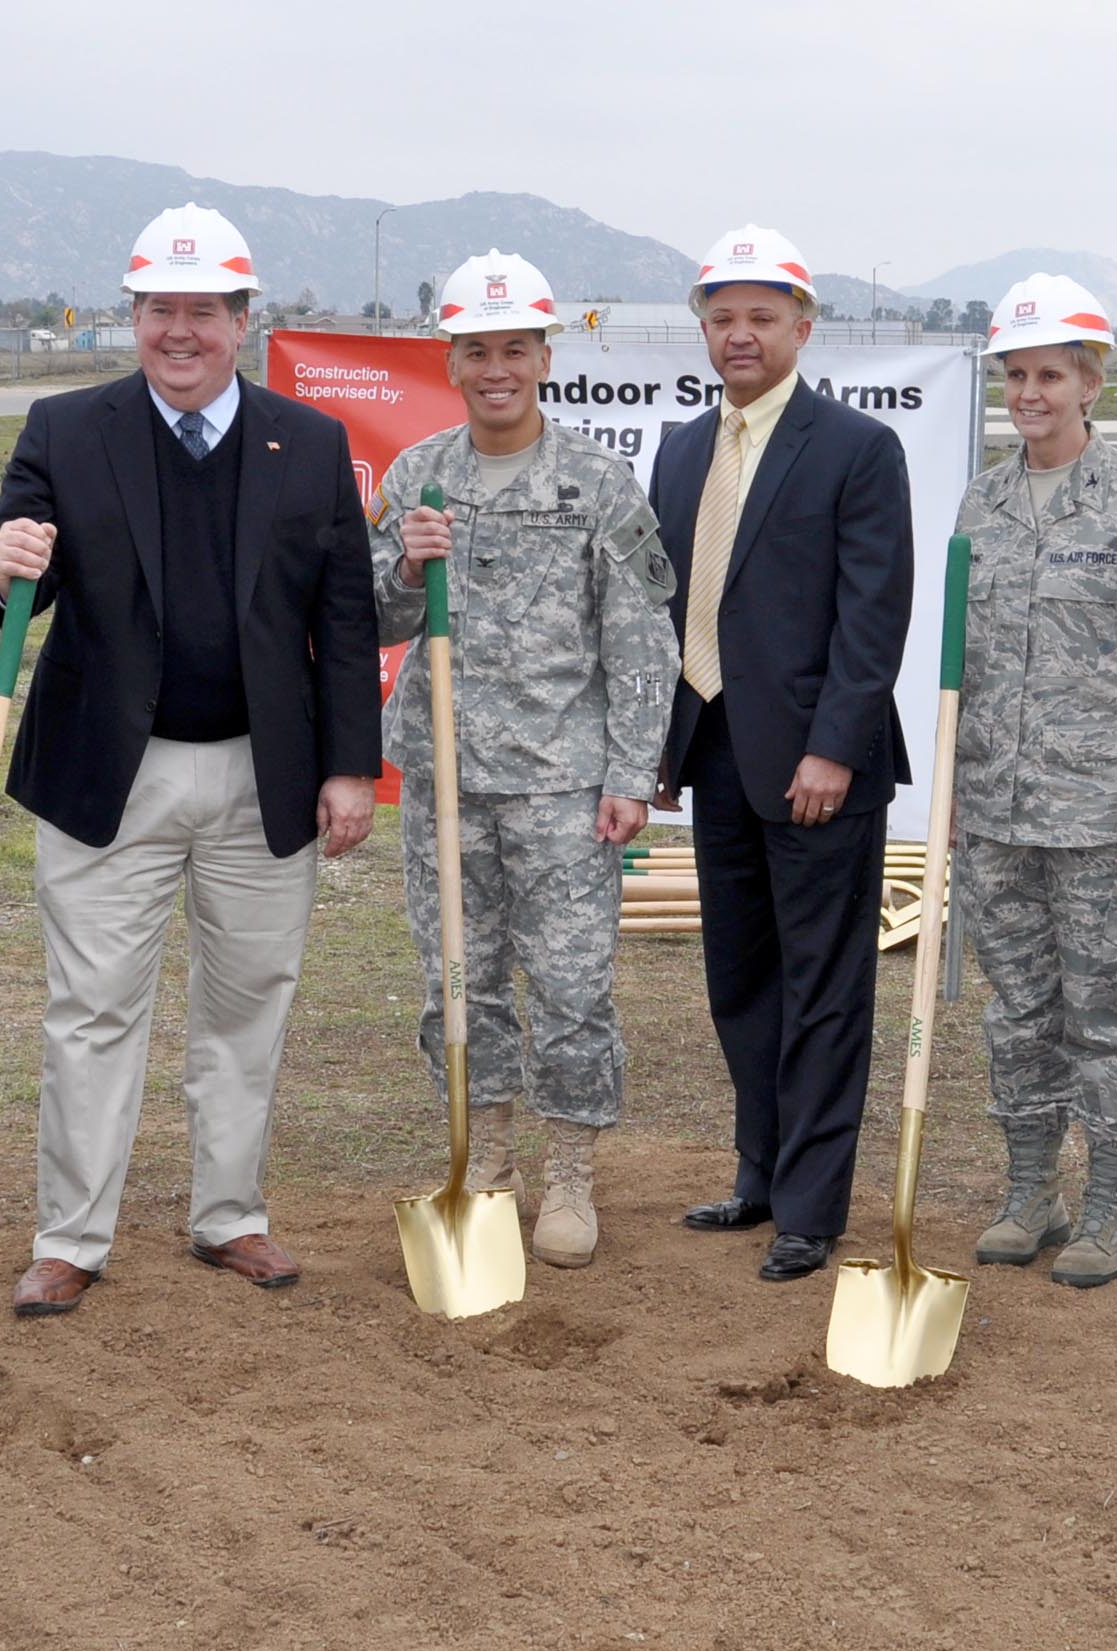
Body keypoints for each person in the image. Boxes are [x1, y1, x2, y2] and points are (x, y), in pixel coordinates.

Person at [0, 203, 381, 1314]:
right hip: (112, 774)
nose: (181, 331)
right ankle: (71, 1235)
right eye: (161, 310)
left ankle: (230, 1215)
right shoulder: (65, 428)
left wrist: (351, 765)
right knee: (95, 1008)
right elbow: (19, 573)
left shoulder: (312, 444)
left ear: (243, 320)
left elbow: (343, 618)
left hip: (264, 775)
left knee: (248, 1001)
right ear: (134, 316)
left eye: (205, 310)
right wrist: (3, 561)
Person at [370, 250, 680, 1269]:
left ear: (546, 355)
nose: (496, 367)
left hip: (561, 784)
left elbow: (641, 634)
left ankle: (572, 1177)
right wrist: (410, 562)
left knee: (573, 985)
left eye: (514, 348)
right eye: (476, 351)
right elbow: (376, 615)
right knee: (458, 982)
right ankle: (487, 1161)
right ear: (449, 360)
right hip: (447, 782)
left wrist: (634, 772)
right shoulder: (420, 474)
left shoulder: (594, 480)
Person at [649, 224, 914, 1282]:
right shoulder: (678, 447)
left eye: (762, 316)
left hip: (816, 770)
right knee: (740, 981)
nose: (740, 334)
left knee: (823, 989)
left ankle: (811, 1206)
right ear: (704, 330)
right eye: (722, 317)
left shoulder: (854, 448)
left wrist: (834, 749)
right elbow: (670, 608)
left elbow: (872, 613)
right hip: (715, 752)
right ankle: (759, 1171)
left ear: (803, 326)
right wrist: (661, 744)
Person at [949, 274, 1117, 1288]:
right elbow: (964, 667)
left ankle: (1110, 1205)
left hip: (1107, 822)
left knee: (1110, 1013)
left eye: (1049, 374)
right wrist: (965, 797)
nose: (1029, 393)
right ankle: (1031, 1191)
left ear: (1090, 382)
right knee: (1018, 1009)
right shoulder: (985, 499)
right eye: (1015, 374)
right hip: (1002, 812)